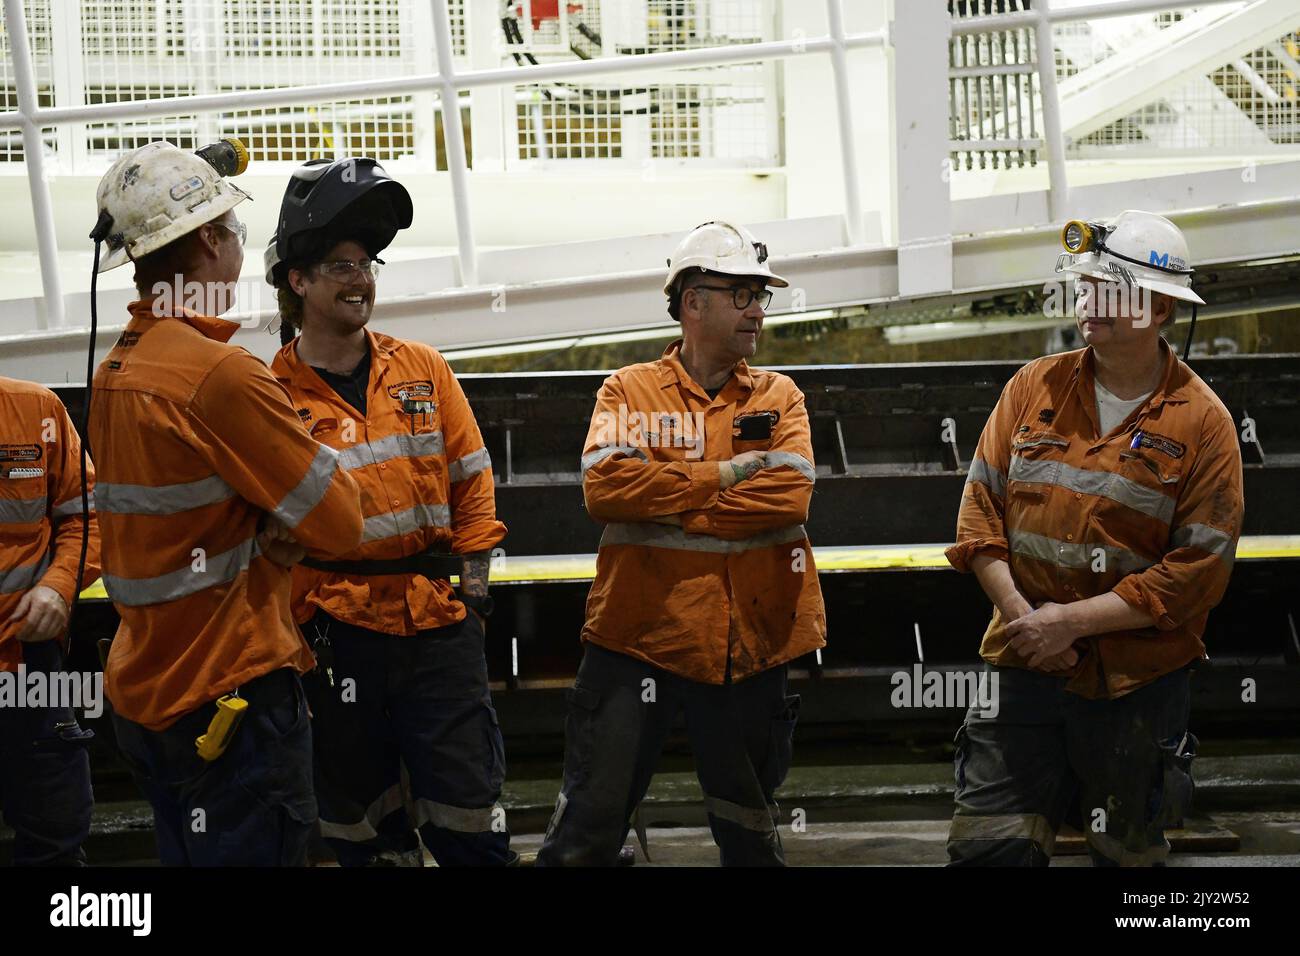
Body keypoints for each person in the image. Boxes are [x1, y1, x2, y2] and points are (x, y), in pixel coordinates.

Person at [87, 140, 365, 866]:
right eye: (233, 232)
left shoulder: (118, 369)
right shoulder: (219, 376)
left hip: (150, 696)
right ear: (209, 241)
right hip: (230, 697)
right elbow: (341, 523)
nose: (239, 248)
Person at [945, 209, 1244, 866]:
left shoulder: (1203, 424)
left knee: (1127, 857)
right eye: (1084, 286)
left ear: (1162, 307)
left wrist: (1071, 623)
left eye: (1111, 288)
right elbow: (977, 519)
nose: (1089, 302)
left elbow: (1198, 572)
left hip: (1135, 687)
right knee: (987, 852)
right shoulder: (1034, 387)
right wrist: (1027, 621)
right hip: (1021, 668)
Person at [536, 221, 826, 867]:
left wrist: (669, 504)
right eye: (742, 294)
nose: (757, 310)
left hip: (749, 642)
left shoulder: (780, 395)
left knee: (749, 828)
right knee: (589, 820)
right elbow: (607, 491)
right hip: (638, 638)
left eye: (761, 296)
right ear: (694, 301)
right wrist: (721, 478)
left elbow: (788, 498)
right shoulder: (628, 391)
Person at [265, 157, 512, 866]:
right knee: (363, 831)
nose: (360, 278)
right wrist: (305, 631)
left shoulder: (424, 368)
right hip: (339, 640)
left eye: (367, 262)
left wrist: (472, 605)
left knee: (472, 823)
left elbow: (474, 487)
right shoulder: (269, 396)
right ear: (298, 280)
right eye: (339, 264)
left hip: (440, 633)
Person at [0, 378, 100, 865]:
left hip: (27, 663)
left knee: (55, 833)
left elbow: (88, 516)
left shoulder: (36, 409)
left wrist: (57, 586)